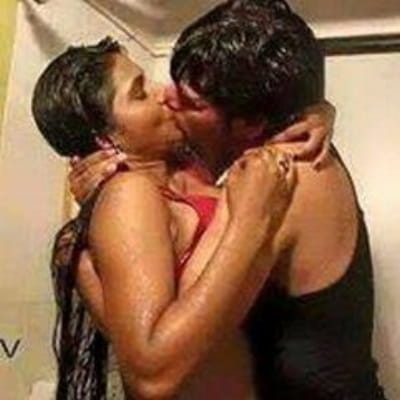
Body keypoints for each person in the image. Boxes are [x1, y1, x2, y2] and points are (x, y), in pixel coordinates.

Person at [71, 0, 386, 399]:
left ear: (251, 124)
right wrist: (319, 109)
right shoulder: (295, 149)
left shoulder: (276, 177)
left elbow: (159, 370)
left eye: (191, 102)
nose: (166, 98)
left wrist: (86, 269)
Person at [32, 37, 298, 400]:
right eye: (140, 93)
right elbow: (152, 373)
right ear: (106, 138)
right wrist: (251, 220)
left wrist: (319, 113)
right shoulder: (130, 195)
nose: (162, 93)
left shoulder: (190, 163)